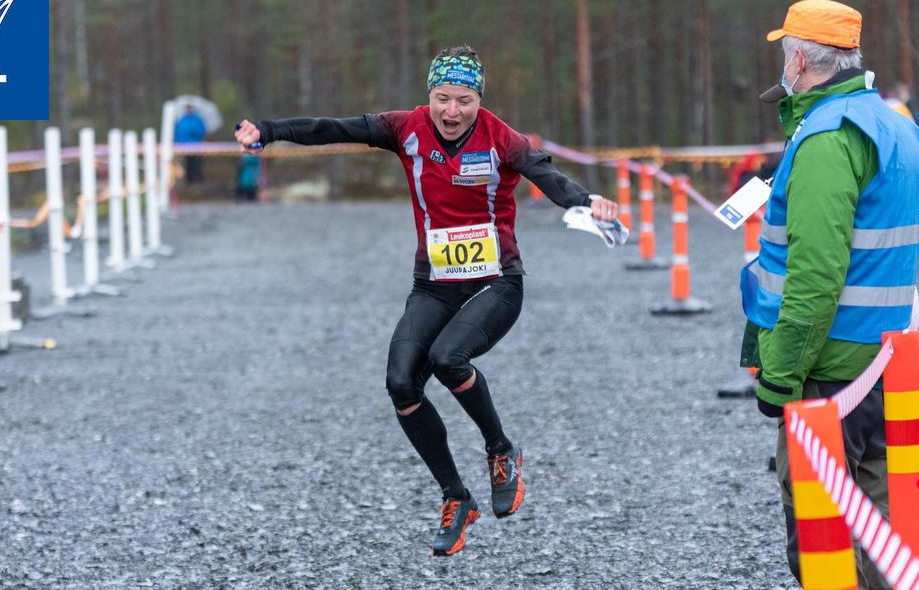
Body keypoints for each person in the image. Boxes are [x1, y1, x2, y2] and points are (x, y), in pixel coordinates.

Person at [233, 45, 619, 556]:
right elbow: (333, 128)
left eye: (464, 100)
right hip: (435, 283)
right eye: (442, 98)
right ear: (429, 95)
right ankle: (457, 497)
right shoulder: (405, 128)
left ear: (479, 100)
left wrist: (589, 201)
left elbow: (546, 175)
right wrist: (268, 129)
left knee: (447, 358)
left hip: (497, 282)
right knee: (401, 382)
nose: (452, 111)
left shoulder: (500, 137)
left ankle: (501, 451)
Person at [744, 0, 919, 589]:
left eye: (784, 55)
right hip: (886, 359)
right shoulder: (897, 125)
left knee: (821, 528)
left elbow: (815, 276)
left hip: (830, 364)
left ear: (799, 60)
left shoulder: (827, 137)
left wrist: (779, 377)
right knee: (881, 523)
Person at [175, 104, 208, 183]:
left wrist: (194, 132)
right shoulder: (181, 120)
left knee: (196, 163)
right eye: (187, 108)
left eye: (190, 108)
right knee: (187, 164)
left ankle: (197, 179)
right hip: (184, 147)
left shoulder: (198, 119)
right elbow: (178, 133)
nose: (188, 110)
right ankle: (188, 180)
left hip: (196, 146)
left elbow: (202, 131)